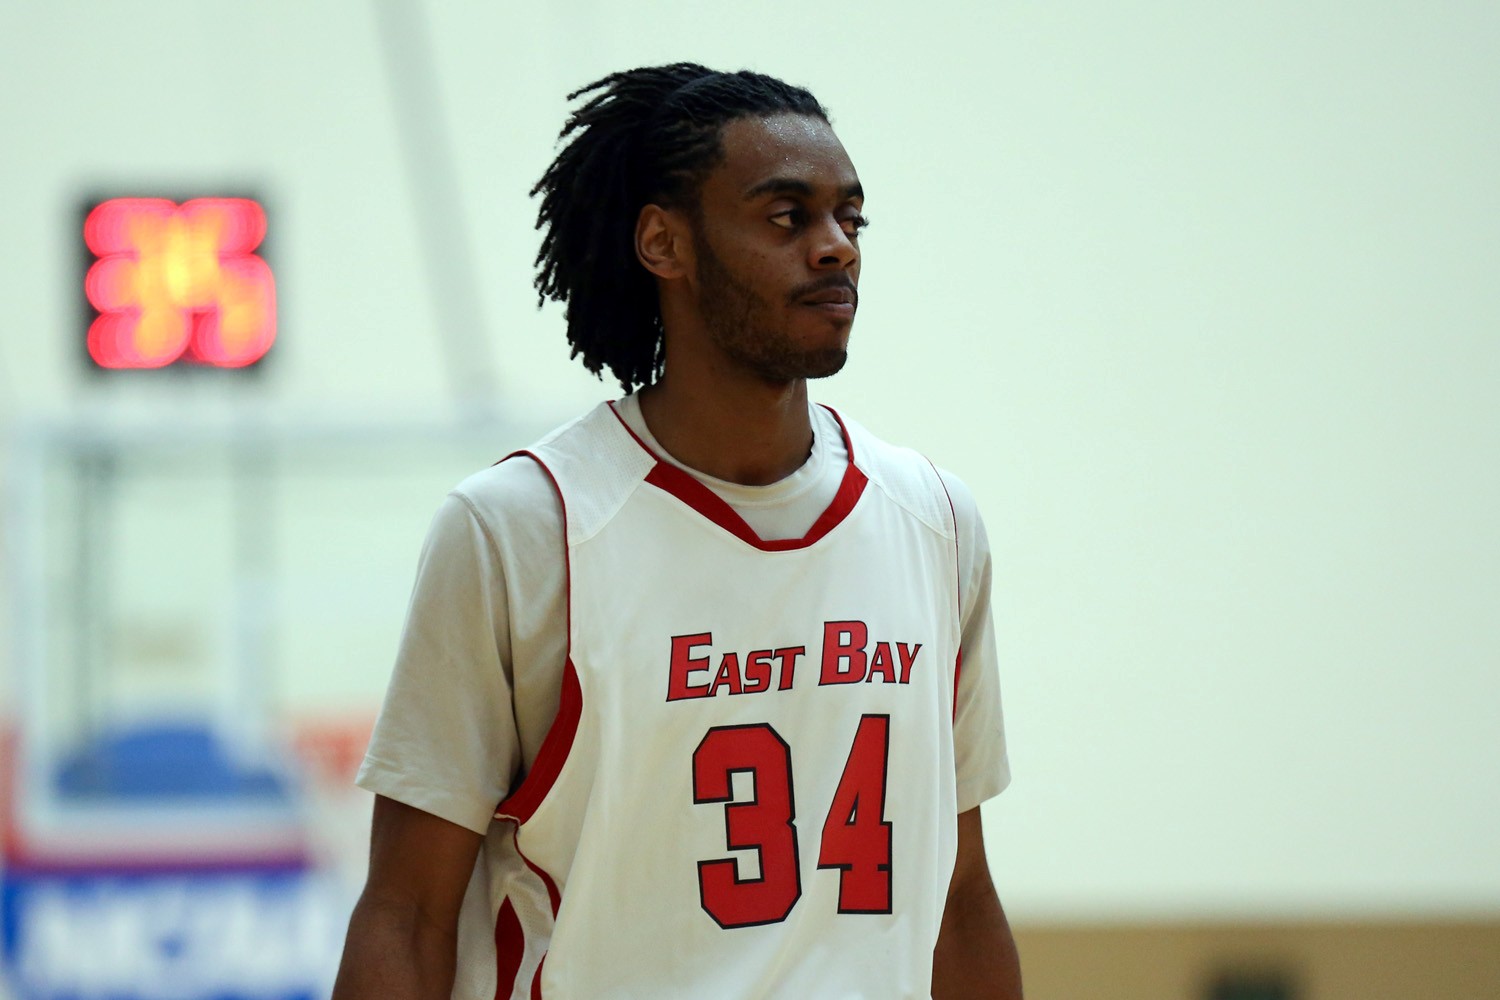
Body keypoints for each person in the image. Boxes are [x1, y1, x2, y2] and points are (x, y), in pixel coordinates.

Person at [333, 63, 1022, 1000]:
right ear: (665, 242)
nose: (836, 250)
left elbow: (961, 897)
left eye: (849, 219)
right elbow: (406, 914)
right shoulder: (523, 529)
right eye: (788, 217)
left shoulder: (934, 521)